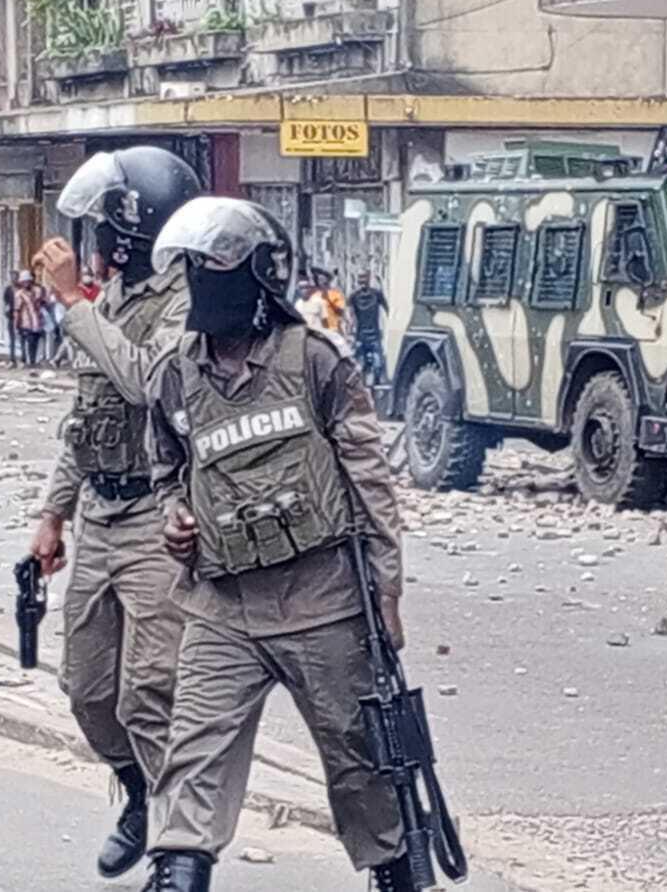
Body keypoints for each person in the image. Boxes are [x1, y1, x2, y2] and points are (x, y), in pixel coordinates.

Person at [139, 197, 409, 892]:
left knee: (360, 765)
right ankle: (177, 872)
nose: (204, 282)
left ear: (260, 275)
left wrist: (387, 589)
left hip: (323, 603)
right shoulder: (176, 374)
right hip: (220, 608)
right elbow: (168, 469)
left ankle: (393, 871)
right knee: (191, 756)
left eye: (219, 267)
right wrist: (175, 516)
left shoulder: (316, 361)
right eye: (194, 268)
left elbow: (369, 482)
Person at [29, 146, 202, 881]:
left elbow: (143, 383)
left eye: (108, 225)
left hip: (157, 517)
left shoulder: (183, 302)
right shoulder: (114, 300)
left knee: (150, 694)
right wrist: (53, 512)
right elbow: (88, 415)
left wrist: (73, 304)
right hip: (98, 512)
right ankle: (135, 794)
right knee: (88, 689)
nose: (95, 241)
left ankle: (176, 849)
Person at [347, 269, 389, 384]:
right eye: (360, 278)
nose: (362, 281)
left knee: (378, 365)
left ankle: (377, 391)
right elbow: (350, 316)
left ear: (369, 278)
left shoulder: (377, 294)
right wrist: (350, 332)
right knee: (358, 366)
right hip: (360, 336)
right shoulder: (353, 296)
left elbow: (388, 310)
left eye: (364, 278)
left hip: (375, 335)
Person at [14, 271, 45, 367]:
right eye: (24, 282)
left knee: (35, 343)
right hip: (25, 322)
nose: (26, 283)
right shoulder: (20, 294)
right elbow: (17, 310)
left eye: (28, 281)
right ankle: (28, 361)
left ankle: (33, 361)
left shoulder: (37, 291)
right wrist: (16, 324)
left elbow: (43, 303)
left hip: (37, 322)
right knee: (27, 343)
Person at [2, 268, 23, 368]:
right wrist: (7, 309)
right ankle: (12, 359)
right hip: (11, 316)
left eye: (15, 277)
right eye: (12, 277)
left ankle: (23, 359)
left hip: (21, 316)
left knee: (22, 338)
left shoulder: (21, 288)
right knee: (12, 339)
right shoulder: (8, 289)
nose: (13, 279)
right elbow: (6, 302)